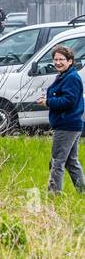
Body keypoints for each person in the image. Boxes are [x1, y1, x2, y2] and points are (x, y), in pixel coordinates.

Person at [39, 44, 85, 195]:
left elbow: (68, 101)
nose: (58, 62)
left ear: (70, 61)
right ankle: (83, 191)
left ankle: (53, 196)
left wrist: (48, 102)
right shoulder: (64, 76)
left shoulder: (71, 78)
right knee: (71, 162)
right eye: (55, 59)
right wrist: (49, 98)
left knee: (57, 162)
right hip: (72, 124)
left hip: (67, 125)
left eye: (62, 59)